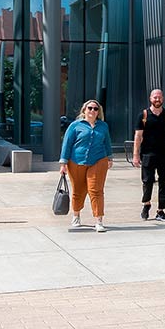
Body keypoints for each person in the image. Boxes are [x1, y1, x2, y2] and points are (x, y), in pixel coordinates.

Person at [58, 99, 113, 233]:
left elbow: (107, 142)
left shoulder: (103, 126)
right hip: (76, 161)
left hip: (99, 160)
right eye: (90, 108)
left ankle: (99, 221)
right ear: (84, 110)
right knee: (78, 190)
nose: (92, 111)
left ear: (98, 112)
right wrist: (63, 163)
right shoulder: (75, 125)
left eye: (95, 109)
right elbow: (67, 143)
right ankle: (76, 215)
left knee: (96, 190)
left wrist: (110, 158)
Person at [133, 88, 165, 221]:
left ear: (163, 99)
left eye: (159, 97)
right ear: (150, 99)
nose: (157, 99)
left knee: (164, 182)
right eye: (155, 97)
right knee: (147, 181)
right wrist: (135, 155)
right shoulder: (143, 115)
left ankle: (160, 211)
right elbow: (138, 136)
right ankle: (146, 203)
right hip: (148, 154)